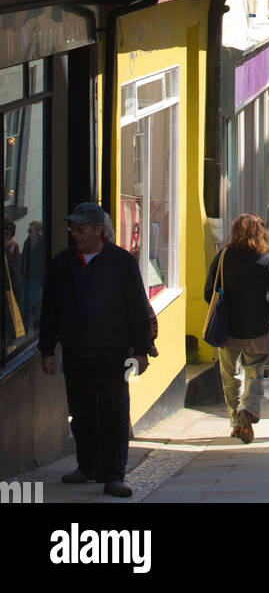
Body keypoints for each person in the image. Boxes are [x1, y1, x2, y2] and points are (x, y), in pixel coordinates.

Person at [39, 202, 152, 497]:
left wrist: (141, 350)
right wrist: (47, 349)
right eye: (72, 229)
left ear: (99, 229)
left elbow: (137, 308)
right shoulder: (62, 264)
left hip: (114, 352)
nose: (75, 234)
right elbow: (49, 309)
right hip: (76, 351)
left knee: (114, 412)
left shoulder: (121, 262)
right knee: (82, 412)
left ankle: (114, 474)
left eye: (81, 228)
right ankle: (87, 465)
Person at [204, 213, 269, 446]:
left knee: (229, 377)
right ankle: (248, 409)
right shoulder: (267, 259)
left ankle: (236, 423)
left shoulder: (224, 257)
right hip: (256, 328)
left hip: (227, 329)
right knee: (254, 374)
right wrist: (266, 313)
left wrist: (222, 311)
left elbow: (209, 291)